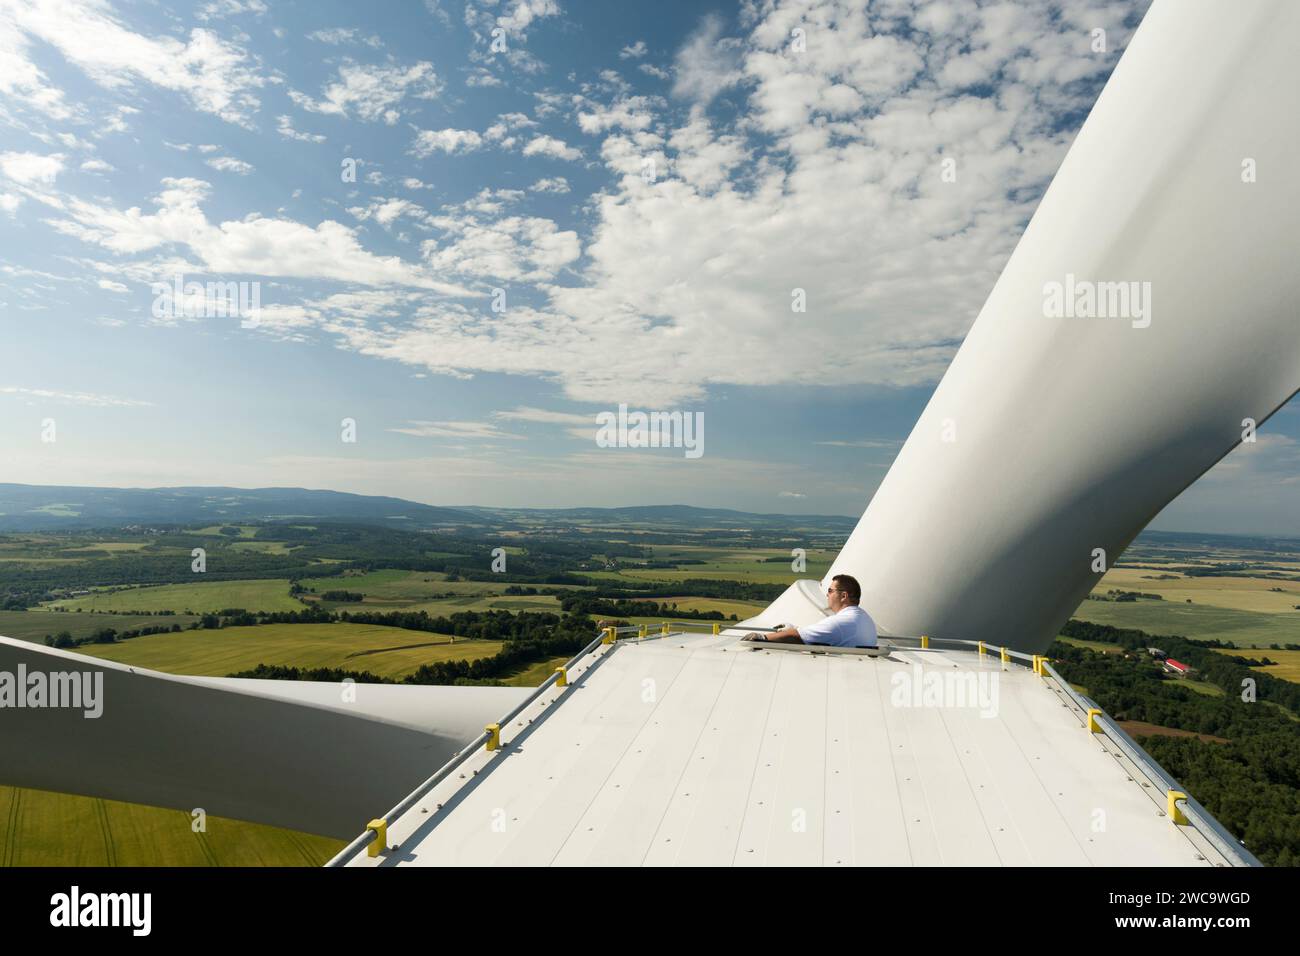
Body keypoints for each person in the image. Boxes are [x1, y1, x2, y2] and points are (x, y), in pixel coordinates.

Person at [743, 574, 877, 647]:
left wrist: (762, 637)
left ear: (843, 596)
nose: (827, 595)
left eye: (830, 591)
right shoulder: (865, 619)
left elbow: (798, 637)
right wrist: (795, 628)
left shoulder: (842, 622)